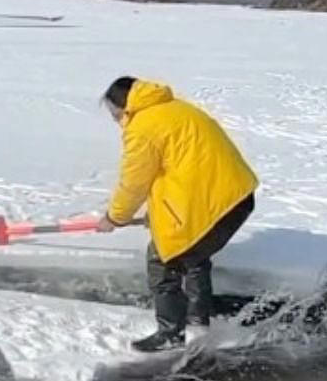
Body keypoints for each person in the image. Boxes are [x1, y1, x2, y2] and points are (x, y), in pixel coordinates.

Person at [97, 77, 258, 352]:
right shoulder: (175, 108)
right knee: (192, 252)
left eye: (114, 114)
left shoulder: (143, 127)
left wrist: (115, 217)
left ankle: (170, 334)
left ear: (125, 107)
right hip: (234, 196)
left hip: (212, 203)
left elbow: (135, 182)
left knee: (163, 259)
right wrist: (158, 214)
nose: (115, 121)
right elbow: (179, 170)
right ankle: (198, 321)